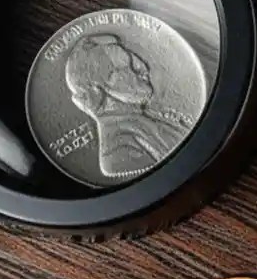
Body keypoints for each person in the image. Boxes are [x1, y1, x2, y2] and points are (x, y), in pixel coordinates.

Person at [64, 33, 184, 178]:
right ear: (99, 88)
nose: (142, 67)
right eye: (126, 65)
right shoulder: (117, 153)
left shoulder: (147, 123)